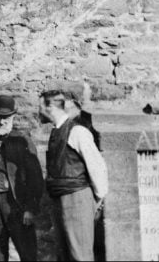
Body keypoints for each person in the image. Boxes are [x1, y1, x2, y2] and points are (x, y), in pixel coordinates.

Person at [40, 87, 108, 261]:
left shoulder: (77, 132)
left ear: (50, 107)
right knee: (65, 255)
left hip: (77, 199)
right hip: (60, 199)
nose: (37, 111)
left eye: (39, 106)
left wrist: (98, 197)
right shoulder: (56, 132)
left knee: (80, 255)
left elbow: (97, 166)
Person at [0, 95, 44, 261]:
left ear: (13, 117)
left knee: (26, 249)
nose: (1, 121)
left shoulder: (23, 141)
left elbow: (35, 178)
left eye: (6, 117)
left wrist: (30, 208)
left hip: (16, 202)